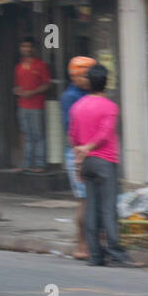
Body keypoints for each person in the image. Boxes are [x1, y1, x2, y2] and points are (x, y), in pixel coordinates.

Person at [68, 63, 132, 267]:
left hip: (86, 163)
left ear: (88, 83)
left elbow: (72, 135)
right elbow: (105, 134)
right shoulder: (110, 107)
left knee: (92, 208)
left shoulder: (77, 107)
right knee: (108, 208)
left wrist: (81, 153)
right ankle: (115, 251)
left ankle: (95, 254)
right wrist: (90, 146)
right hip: (105, 160)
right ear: (106, 83)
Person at [61, 55, 96, 260]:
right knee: (84, 200)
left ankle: (91, 242)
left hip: (90, 151)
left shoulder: (87, 93)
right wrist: (79, 157)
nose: (89, 79)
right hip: (78, 152)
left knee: (91, 199)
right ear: (76, 76)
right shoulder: (71, 97)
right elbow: (71, 130)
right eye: (86, 75)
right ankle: (81, 244)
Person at [13, 37, 52, 173]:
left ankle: (40, 164)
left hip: (36, 106)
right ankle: (26, 164)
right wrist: (17, 90)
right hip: (22, 105)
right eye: (24, 46)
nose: (26, 49)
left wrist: (32, 92)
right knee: (26, 135)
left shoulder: (40, 65)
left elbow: (47, 84)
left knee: (38, 135)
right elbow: (17, 85)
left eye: (28, 46)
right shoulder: (18, 67)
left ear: (33, 49)